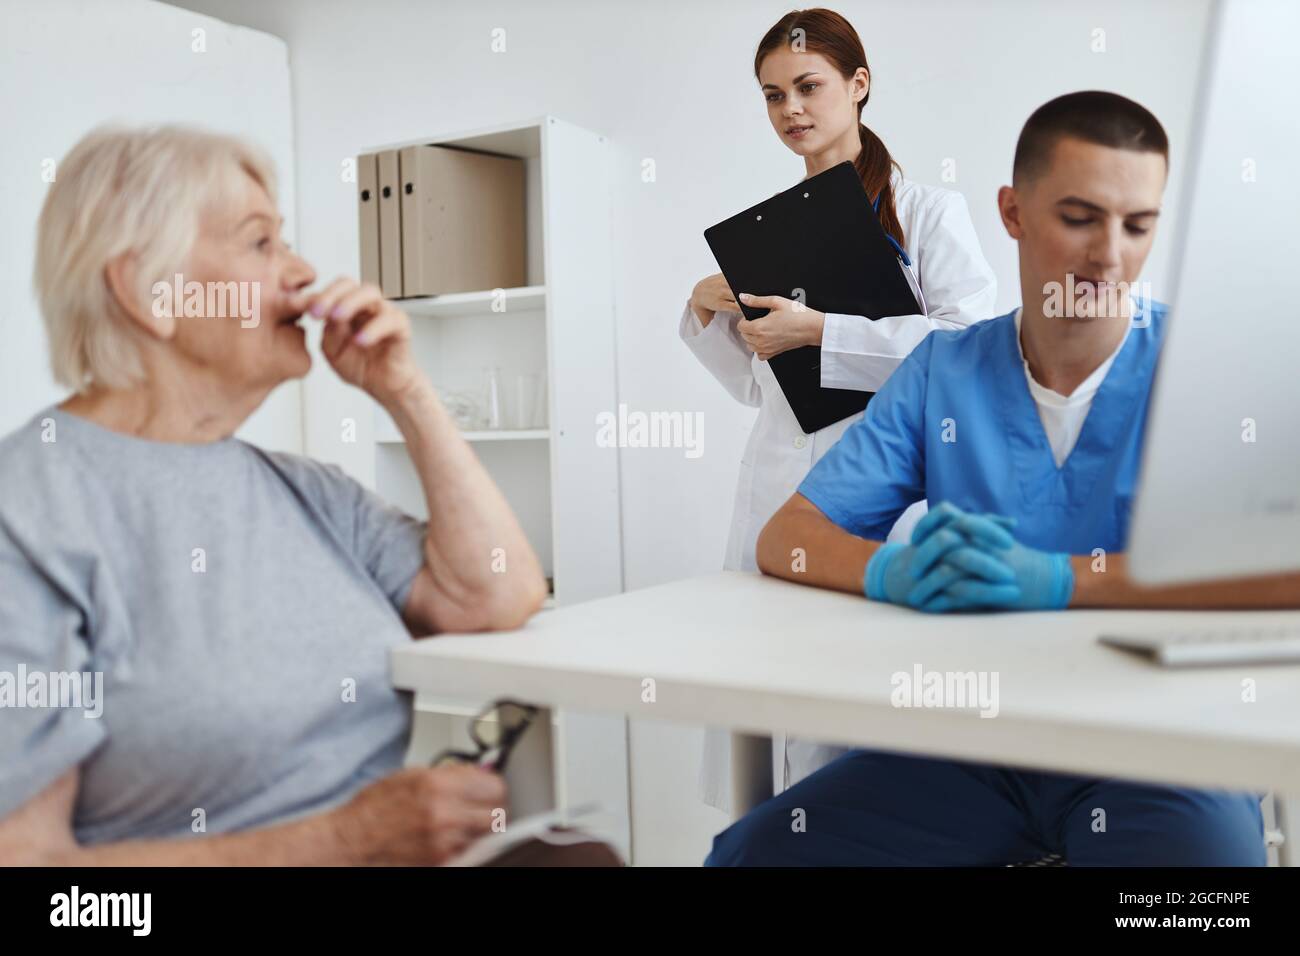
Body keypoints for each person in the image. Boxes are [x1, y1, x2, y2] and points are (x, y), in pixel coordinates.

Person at [708, 91, 1300, 866]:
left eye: (1138, 224)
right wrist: (891, 570)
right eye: (1080, 217)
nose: (1110, 255)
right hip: (973, 743)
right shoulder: (945, 371)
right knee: (760, 855)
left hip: (1164, 750)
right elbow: (788, 538)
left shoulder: (1207, 373)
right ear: (1013, 213)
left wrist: (1059, 582)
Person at [0, 124, 559, 865]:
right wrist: (344, 842)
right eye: (261, 243)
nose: (303, 274)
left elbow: (496, 593)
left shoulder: (305, 491)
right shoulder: (29, 512)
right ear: (146, 289)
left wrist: (404, 390)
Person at [682, 6, 997, 813]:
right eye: (772, 94)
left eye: (808, 86)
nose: (790, 109)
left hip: (878, 500)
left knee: (857, 736)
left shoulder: (928, 212)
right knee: (768, 711)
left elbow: (970, 346)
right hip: (777, 486)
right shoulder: (768, 232)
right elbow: (759, 386)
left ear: (859, 86)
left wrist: (824, 330)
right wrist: (707, 311)